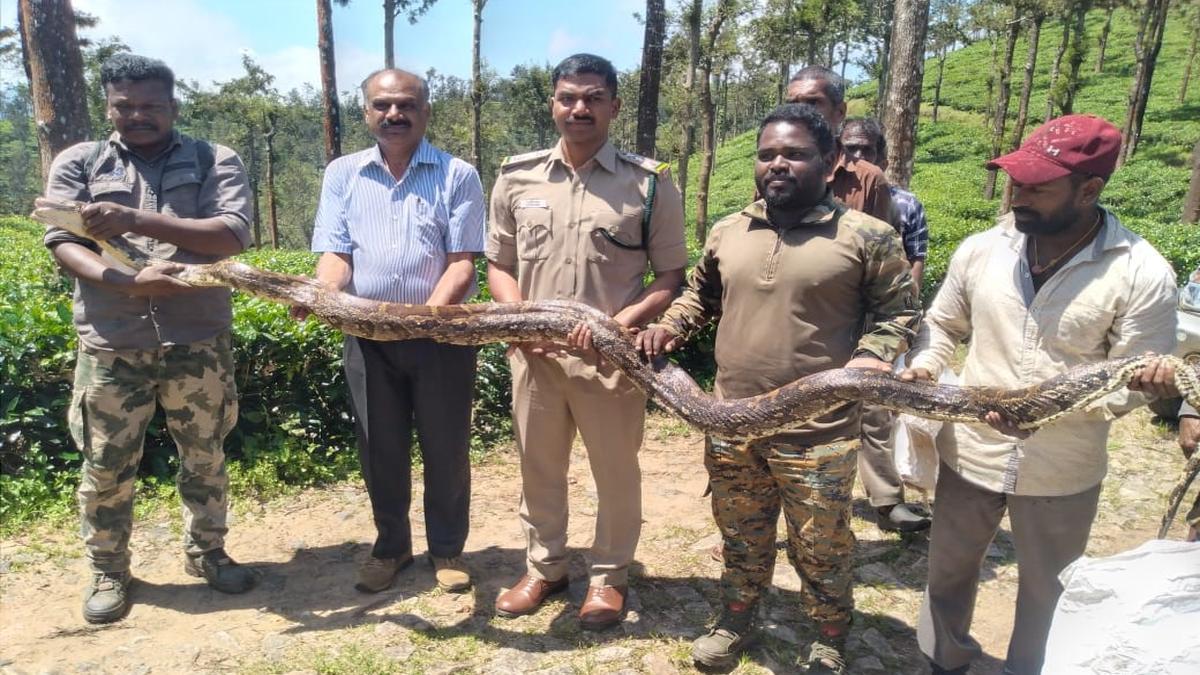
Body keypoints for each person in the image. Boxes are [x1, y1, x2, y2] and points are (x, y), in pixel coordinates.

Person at [638, 103, 921, 673]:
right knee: (741, 532)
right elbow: (701, 297)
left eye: (794, 154)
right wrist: (669, 325)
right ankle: (736, 616)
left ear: (830, 160)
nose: (778, 165)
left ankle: (828, 633)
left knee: (823, 546)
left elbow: (899, 314)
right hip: (732, 423)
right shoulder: (729, 229)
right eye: (767, 154)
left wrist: (870, 357)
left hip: (819, 431)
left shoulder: (868, 235)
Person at [900, 114, 1180, 675]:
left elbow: (1132, 379)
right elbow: (943, 323)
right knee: (947, 572)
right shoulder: (983, 250)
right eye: (1016, 182)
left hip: (1063, 465)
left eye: (1038, 186)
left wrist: (1079, 405)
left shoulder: (1141, 272)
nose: (1019, 196)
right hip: (972, 450)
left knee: (1049, 587)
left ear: (1090, 188)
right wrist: (927, 366)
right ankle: (944, 661)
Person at [42, 53, 257, 624]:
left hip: (198, 339)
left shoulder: (214, 158)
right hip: (112, 341)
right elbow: (64, 243)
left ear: (173, 106)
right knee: (107, 464)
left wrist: (135, 220)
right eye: (125, 105)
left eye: (151, 106)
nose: (138, 115)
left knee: (205, 456)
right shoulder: (79, 162)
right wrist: (128, 282)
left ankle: (208, 553)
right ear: (108, 105)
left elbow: (231, 233)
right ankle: (109, 568)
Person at [486, 53, 687, 630]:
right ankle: (545, 567)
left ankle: (608, 578)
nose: (580, 108)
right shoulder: (516, 177)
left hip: (610, 362)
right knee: (537, 467)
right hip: (535, 359)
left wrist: (618, 325)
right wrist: (517, 319)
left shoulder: (648, 184)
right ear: (553, 104)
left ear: (614, 106)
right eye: (569, 97)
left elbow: (670, 278)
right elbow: (499, 264)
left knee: (615, 471)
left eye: (594, 97)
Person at [304, 69, 486, 595]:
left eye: (406, 104)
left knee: (445, 446)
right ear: (366, 113)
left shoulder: (457, 174)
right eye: (381, 106)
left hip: (442, 337)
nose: (394, 115)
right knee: (378, 446)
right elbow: (336, 254)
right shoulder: (343, 174)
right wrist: (323, 295)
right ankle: (392, 546)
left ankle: (448, 550)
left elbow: (462, 264)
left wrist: (424, 319)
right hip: (366, 337)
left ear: (426, 110)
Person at [786, 68, 929, 534]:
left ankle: (886, 499)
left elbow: (885, 250)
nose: (805, 111)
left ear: (838, 112)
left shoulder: (867, 178)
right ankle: (784, 510)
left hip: (856, 317)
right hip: (802, 314)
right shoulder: (777, 165)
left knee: (871, 408)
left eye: (815, 103)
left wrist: (878, 336)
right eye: (796, 101)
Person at [840, 117, 928, 290]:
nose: (858, 157)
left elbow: (915, 261)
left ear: (882, 162)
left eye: (867, 150)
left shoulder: (907, 205)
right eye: (850, 148)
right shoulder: (824, 194)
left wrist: (911, 308)